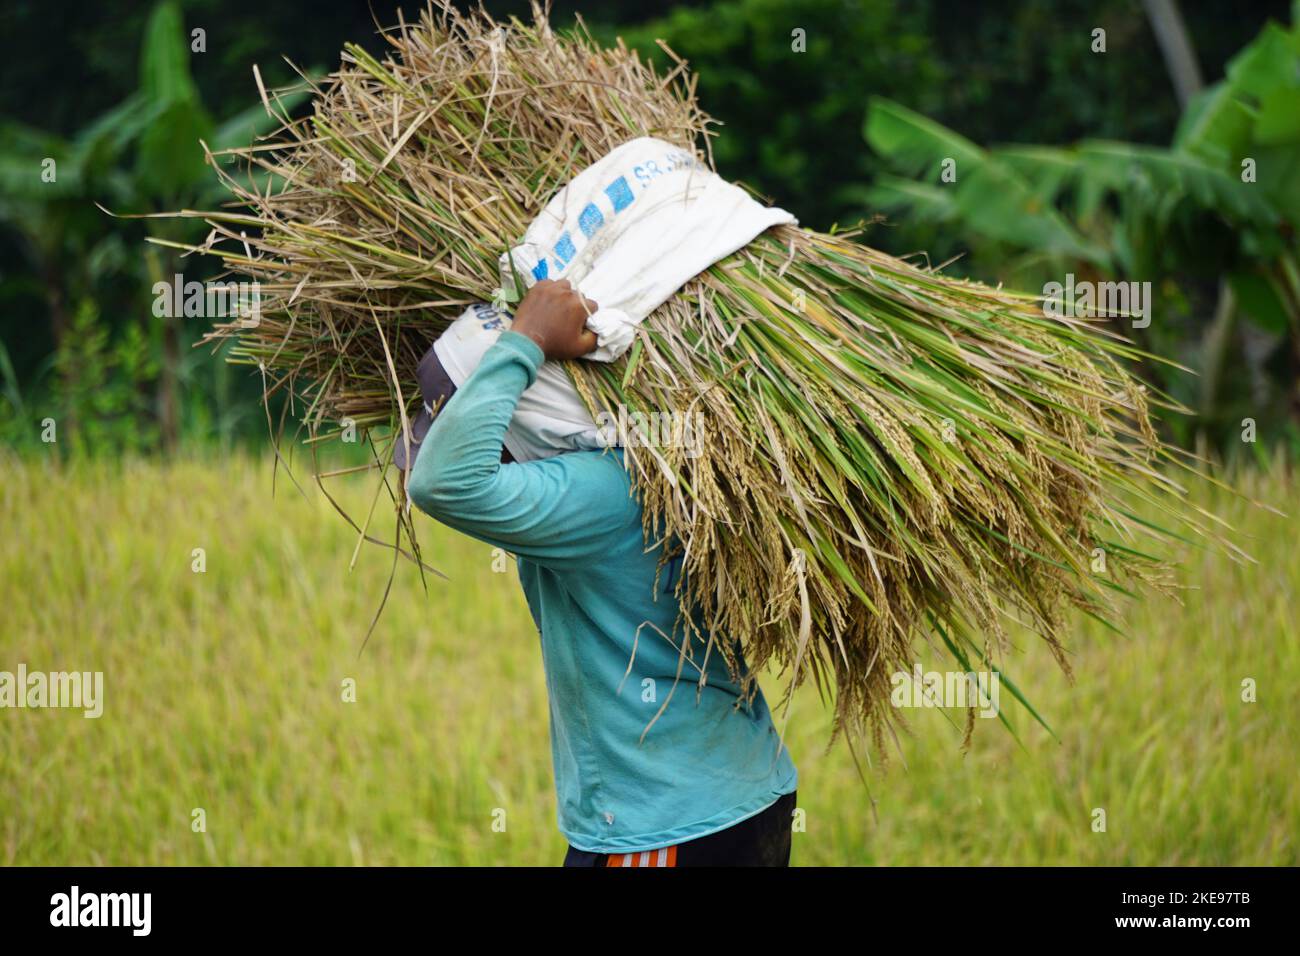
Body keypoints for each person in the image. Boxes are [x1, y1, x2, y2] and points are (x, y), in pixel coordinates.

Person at [401, 278, 797, 867]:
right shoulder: (646, 460)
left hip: (666, 824)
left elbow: (443, 482)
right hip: (738, 789)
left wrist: (526, 340)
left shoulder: (595, 491)